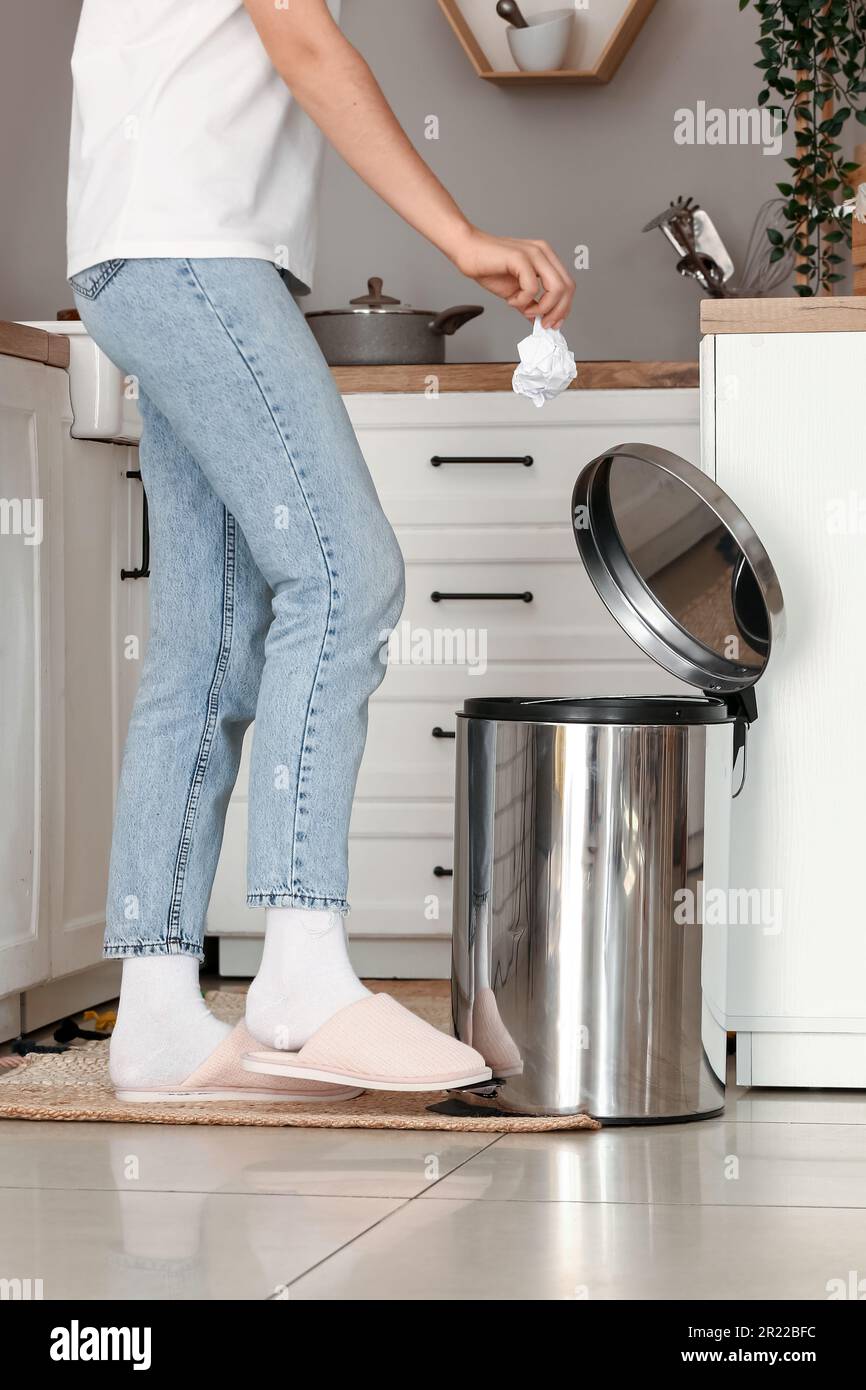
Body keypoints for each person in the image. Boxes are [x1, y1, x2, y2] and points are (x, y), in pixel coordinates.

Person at [67, 0, 575, 1100]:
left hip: (149, 250)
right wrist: (461, 239)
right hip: (187, 245)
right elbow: (304, 42)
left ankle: (154, 1012)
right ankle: (299, 967)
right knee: (346, 574)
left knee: (207, 638)